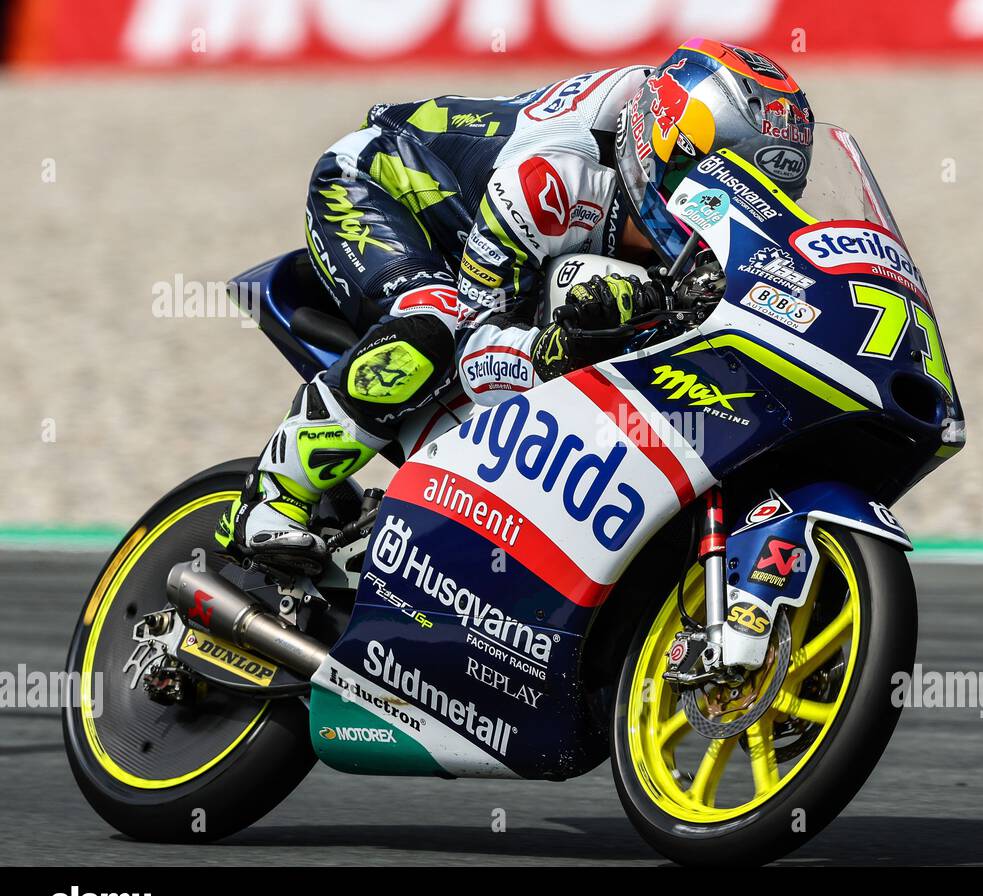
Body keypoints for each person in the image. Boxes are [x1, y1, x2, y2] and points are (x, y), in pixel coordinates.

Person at [215, 38, 815, 574]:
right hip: (383, 189)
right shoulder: (555, 179)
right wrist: (552, 351)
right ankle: (272, 495)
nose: (726, 200)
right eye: (709, 177)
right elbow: (478, 342)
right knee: (433, 325)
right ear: (662, 145)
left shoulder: (695, 232)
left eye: (765, 192)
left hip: (514, 251)